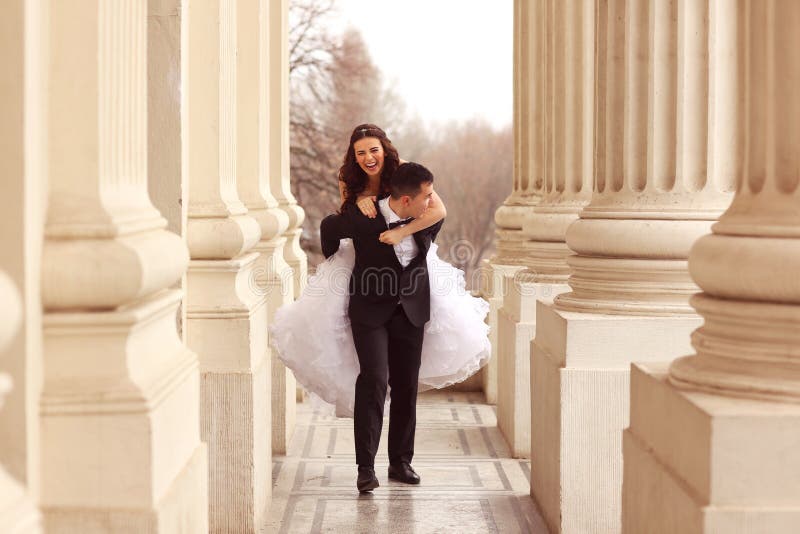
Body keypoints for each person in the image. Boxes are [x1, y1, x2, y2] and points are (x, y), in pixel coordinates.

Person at [269, 125, 490, 492]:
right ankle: (365, 468)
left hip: (413, 303)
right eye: (360, 153)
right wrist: (351, 221)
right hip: (369, 303)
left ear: (385, 152)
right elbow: (330, 228)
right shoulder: (354, 190)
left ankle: (401, 462)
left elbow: (435, 210)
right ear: (353, 158)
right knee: (373, 380)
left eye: (373, 150)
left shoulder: (414, 192)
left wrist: (403, 231)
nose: (367, 158)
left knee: (406, 385)